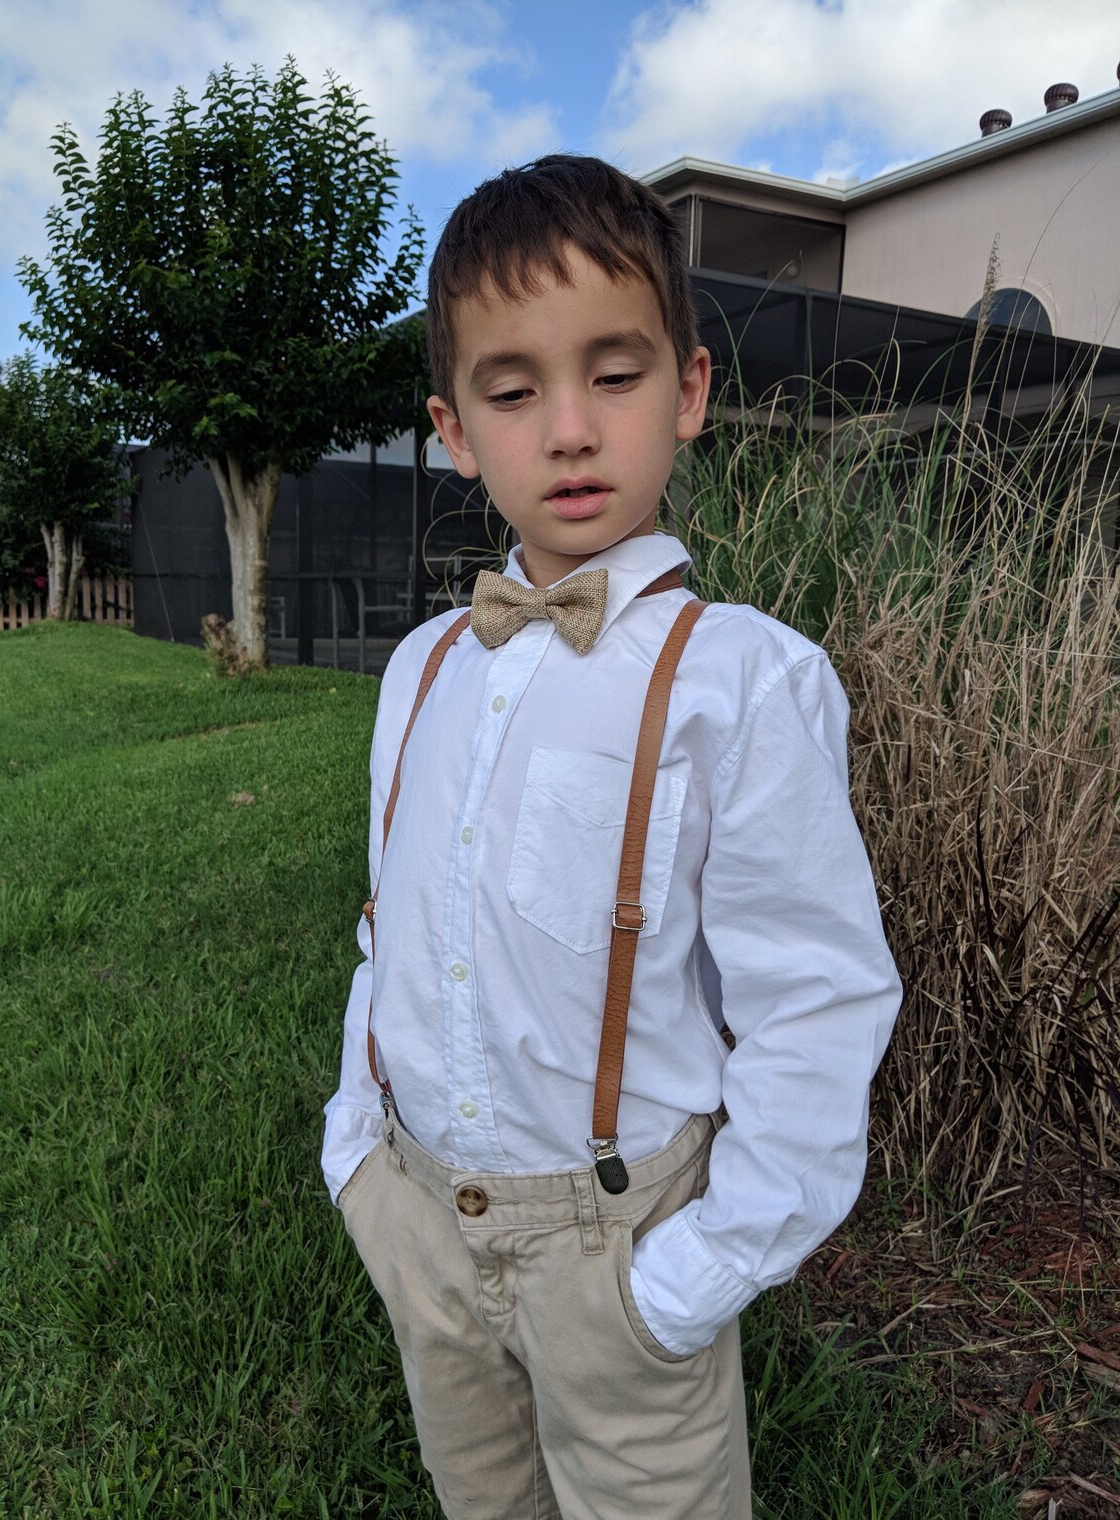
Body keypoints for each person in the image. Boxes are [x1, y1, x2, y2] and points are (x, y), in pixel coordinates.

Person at [322, 154, 901, 1520]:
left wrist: (683, 1281)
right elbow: (390, 924)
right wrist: (358, 1154)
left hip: (623, 1251)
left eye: (616, 374)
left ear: (690, 391)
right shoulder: (417, 671)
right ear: (454, 430)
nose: (568, 428)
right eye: (513, 390)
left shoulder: (741, 679)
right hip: (420, 1214)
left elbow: (816, 1002)